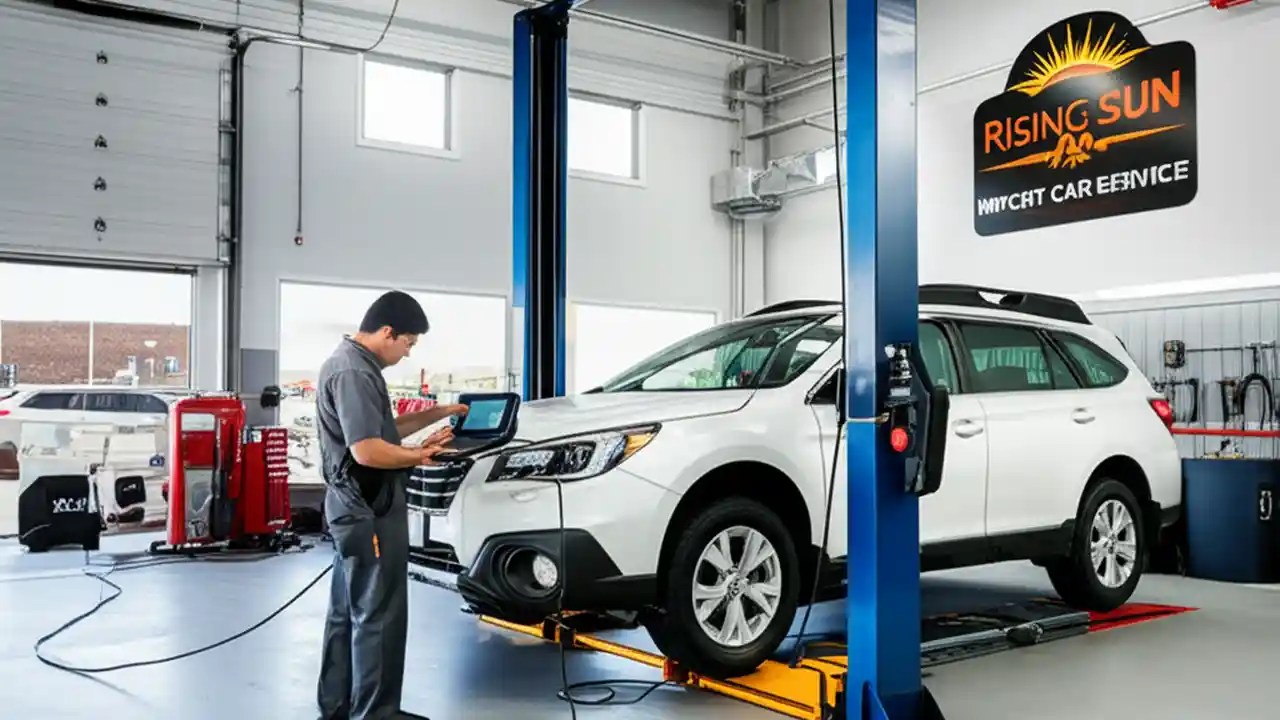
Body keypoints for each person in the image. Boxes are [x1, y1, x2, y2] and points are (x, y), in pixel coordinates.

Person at [314, 290, 467, 720]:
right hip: (369, 509)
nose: (407, 352)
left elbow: (383, 429)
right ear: (387, 332)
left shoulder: (352, 365)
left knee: (348, 613)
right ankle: (377, 714)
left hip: (352, 508)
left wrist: (436, 413)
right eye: (408, 344)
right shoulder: (355, 373)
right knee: (379, 614)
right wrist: (421, 456)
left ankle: (339, 708)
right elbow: (366, 450)